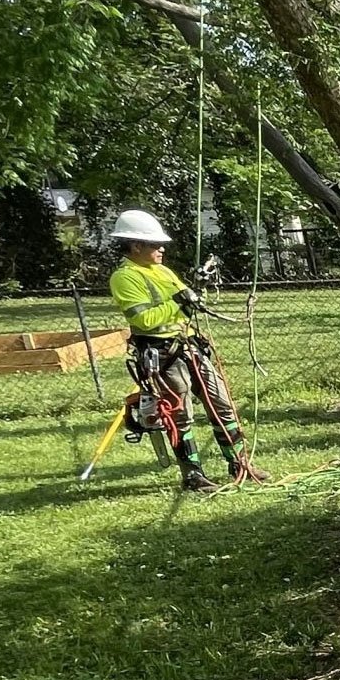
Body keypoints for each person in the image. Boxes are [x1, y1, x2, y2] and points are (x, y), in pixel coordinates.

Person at [107, 208, 265, 492]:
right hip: (163, 353)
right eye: (155, 245)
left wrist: (196, 290)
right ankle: (193, 475)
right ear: (135, 245)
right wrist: (180, 302)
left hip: (189, 346)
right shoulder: (125, 278)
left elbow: (187, 303)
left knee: (222, 404)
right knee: (180, 414)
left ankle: (239, 463)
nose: (161, 250)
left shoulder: (162, 271)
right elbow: (143, 319)